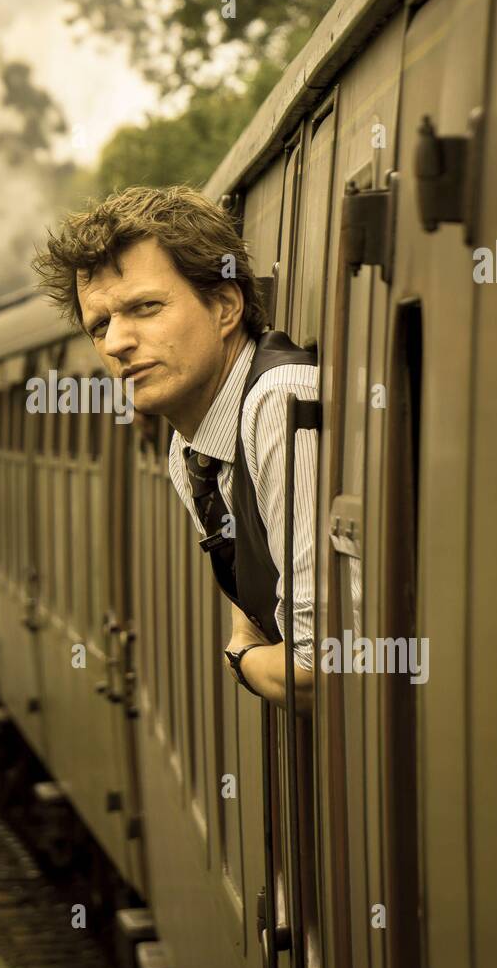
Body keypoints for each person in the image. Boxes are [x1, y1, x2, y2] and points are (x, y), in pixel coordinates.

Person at [32, 184, 318, 714]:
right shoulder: (188, 451)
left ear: (226, 305)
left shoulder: (279, 403)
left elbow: (318, 666)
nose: (117, 342)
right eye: (101, 325)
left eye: (145, 307)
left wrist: (240, 659)